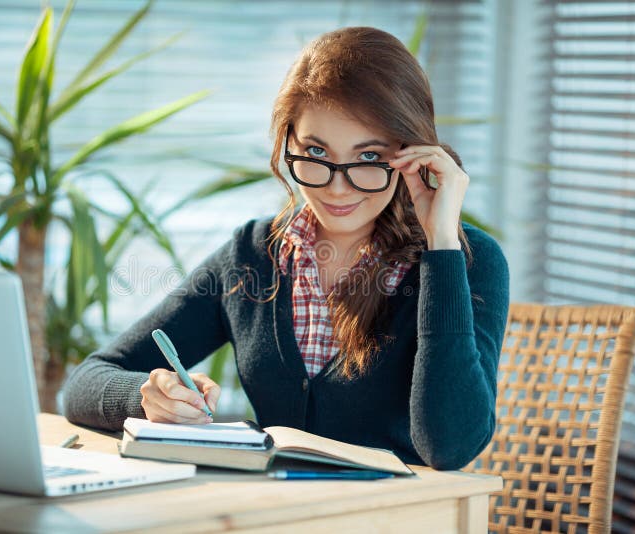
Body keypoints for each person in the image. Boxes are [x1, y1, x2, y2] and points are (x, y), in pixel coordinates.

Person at [63, 26, 509, 470]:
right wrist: (151, 397)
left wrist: (442, 247)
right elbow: (84, 384)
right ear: (288, 144)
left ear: (412, 152)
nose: (337, 187)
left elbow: (449, 446)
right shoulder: (252, 256)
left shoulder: (467, 261)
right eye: (315, 152)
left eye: (370, 158)